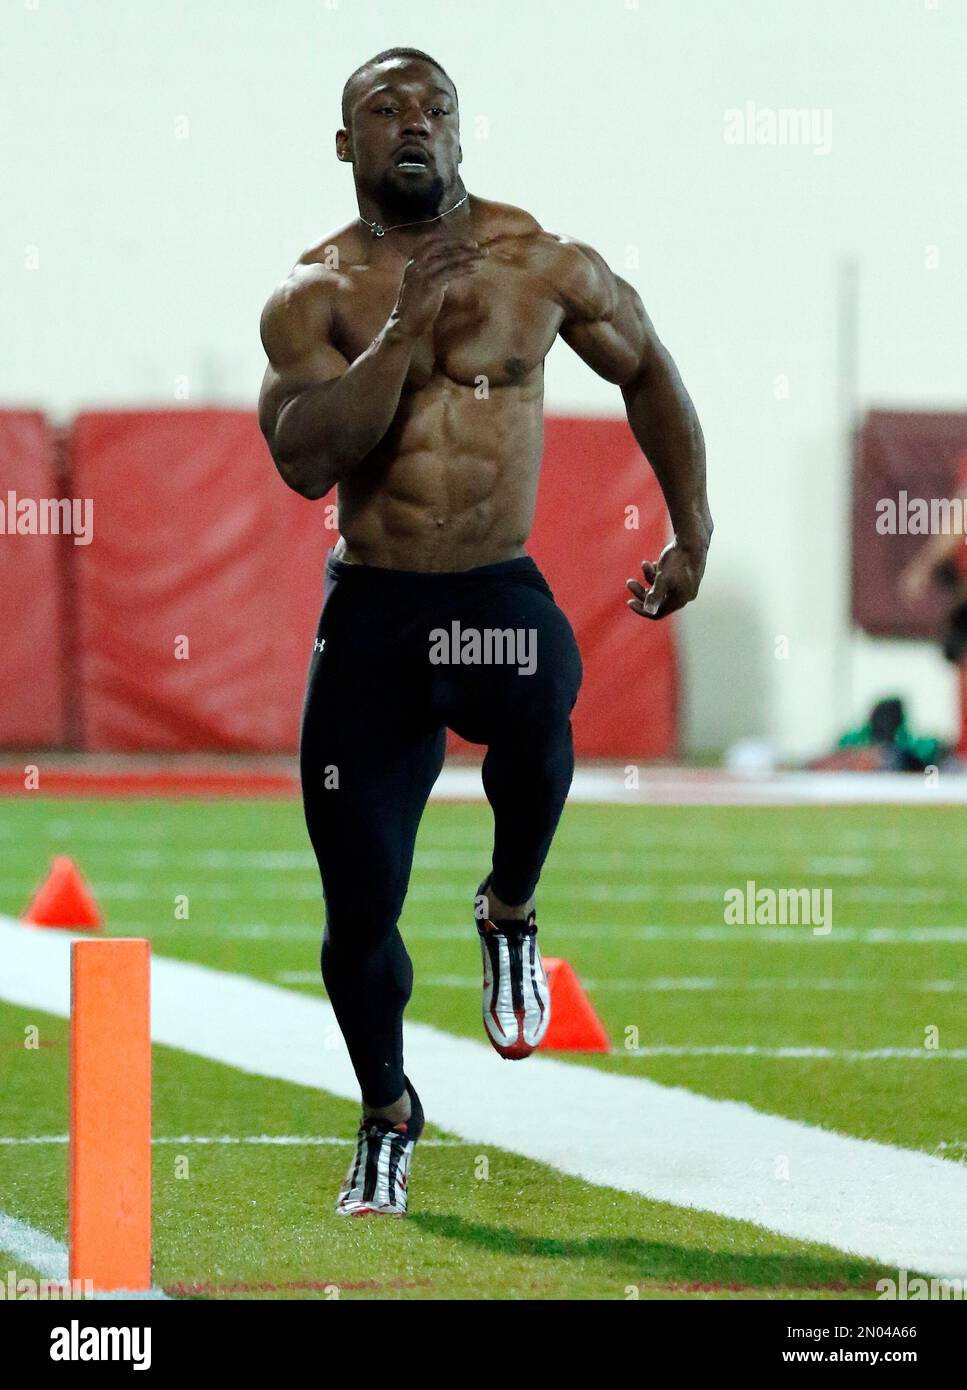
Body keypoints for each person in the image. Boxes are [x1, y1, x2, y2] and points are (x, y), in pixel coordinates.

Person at [258, 47, 712, 1215]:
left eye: (435, 107)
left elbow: (648, 368)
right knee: (358, 912)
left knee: (539, 684)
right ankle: (387, 1111)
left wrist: (692, 529)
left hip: (487, 591)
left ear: (461, 133)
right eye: (384, 108)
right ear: (345, 142)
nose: (413, 122)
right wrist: (403, 328)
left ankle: (509, 908)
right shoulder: (312, 294)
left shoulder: (539, 259)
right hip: (376, 611)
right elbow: (306, 458)